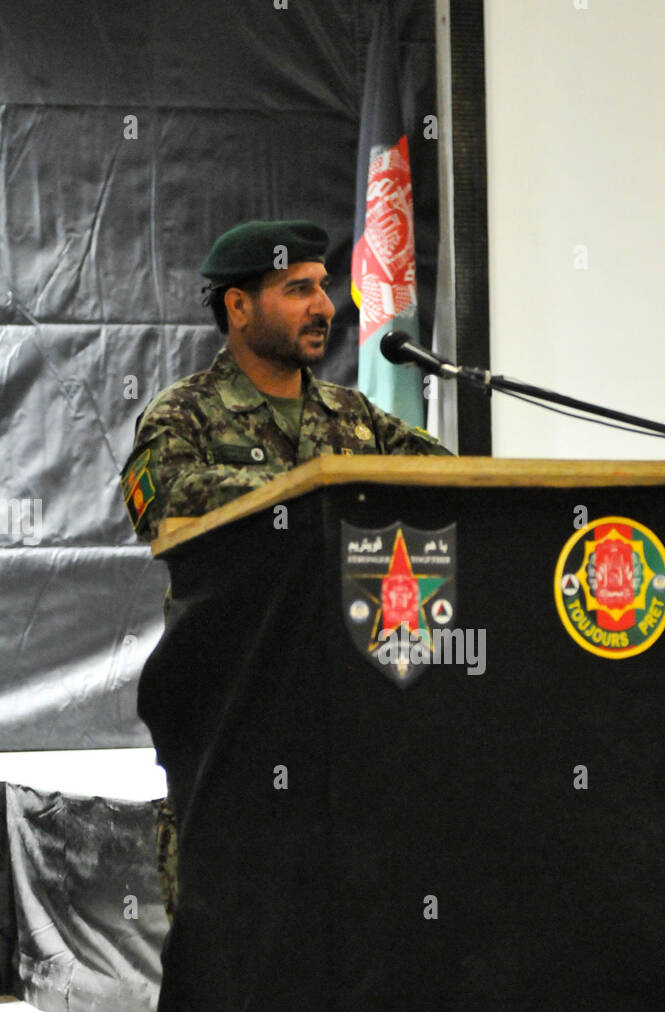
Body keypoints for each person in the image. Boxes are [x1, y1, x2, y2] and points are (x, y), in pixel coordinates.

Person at [120, 218, 452, 921]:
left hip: (353, 707)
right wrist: (314, 492)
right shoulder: (185, 414)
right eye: (297, 289)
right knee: (231, 938)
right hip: (235, 704)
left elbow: (450, 482)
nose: (323, 307)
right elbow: (164, 503)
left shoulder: (354, 417)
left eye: (323, 288)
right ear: (237, 306)